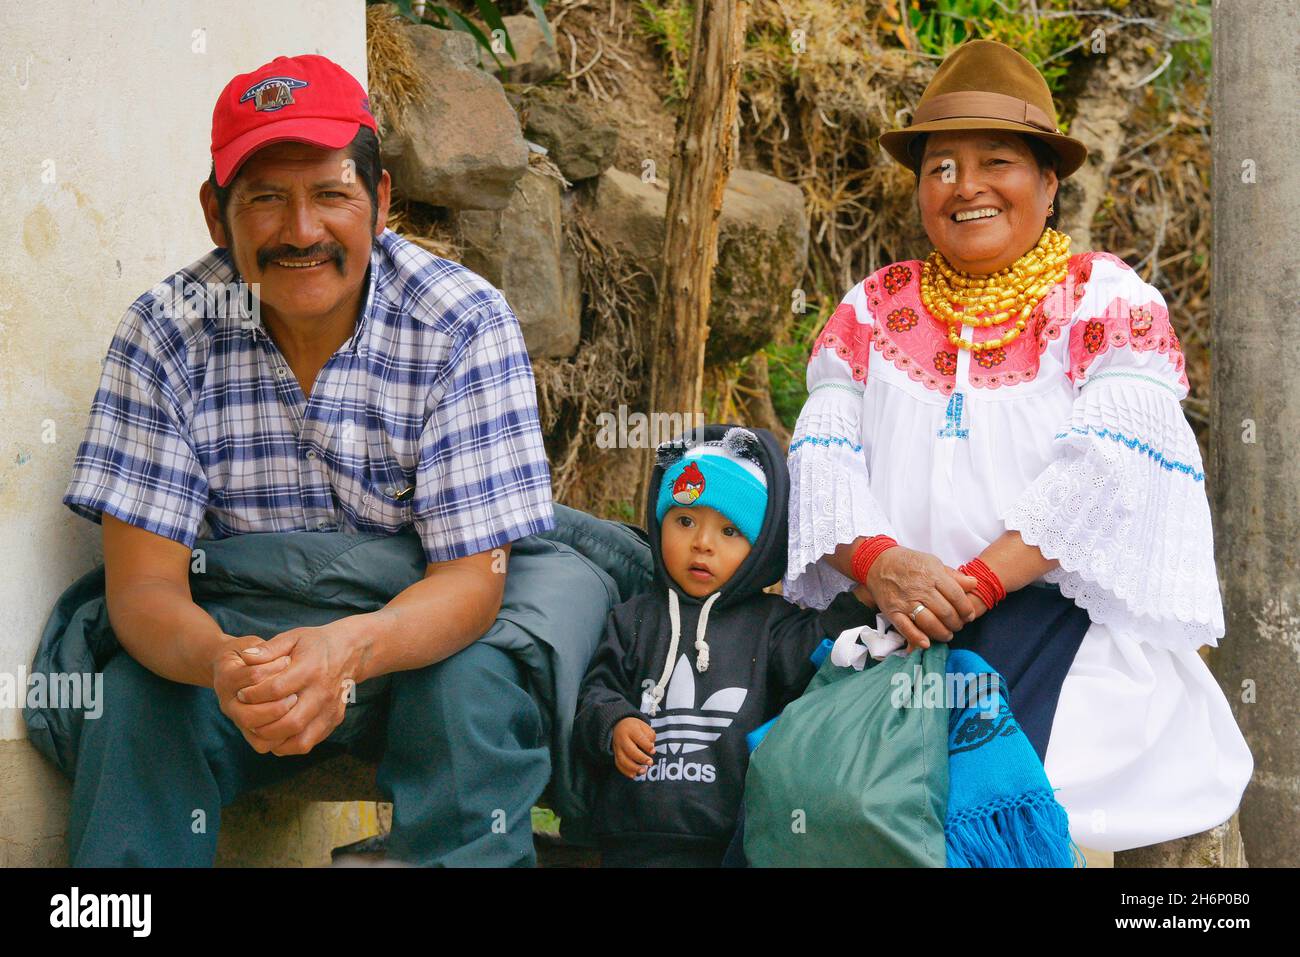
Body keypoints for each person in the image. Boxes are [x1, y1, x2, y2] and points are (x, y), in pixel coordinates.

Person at [58, 53, 574, 866]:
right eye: (266, 198)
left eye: (331, 194)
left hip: (413, 639)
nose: (301, 231)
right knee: (131, 698)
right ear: (214, 213)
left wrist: (347, 649)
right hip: (241, 649)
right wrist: (222, 662)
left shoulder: (462, 322)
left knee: (471, 691)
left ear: (381, 202)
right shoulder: (163, 333)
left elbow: (475, 580)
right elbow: (146, 587)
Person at [783, 39, 1251, 852]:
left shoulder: (1105, 300)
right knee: (826, 796)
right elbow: (822, 456)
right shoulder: (872, 306)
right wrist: (882, 564)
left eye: (995, 160)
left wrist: (971, 583)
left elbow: (1103, 474)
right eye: (939, 168)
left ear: (1048, 183)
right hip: (897, 627)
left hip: (1061, 636)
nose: (964, 187)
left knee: (1004, 811)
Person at [572, 426, 873, 866]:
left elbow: (813, 649)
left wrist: (864, 600)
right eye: (685, 521)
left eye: (730, 531)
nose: (702, 543)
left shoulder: (772, 624)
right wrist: (614, 723)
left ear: (760, 548)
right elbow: (595, 693)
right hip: (632, 836)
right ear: (659, 525)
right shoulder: (632, 618)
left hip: (732, 842)